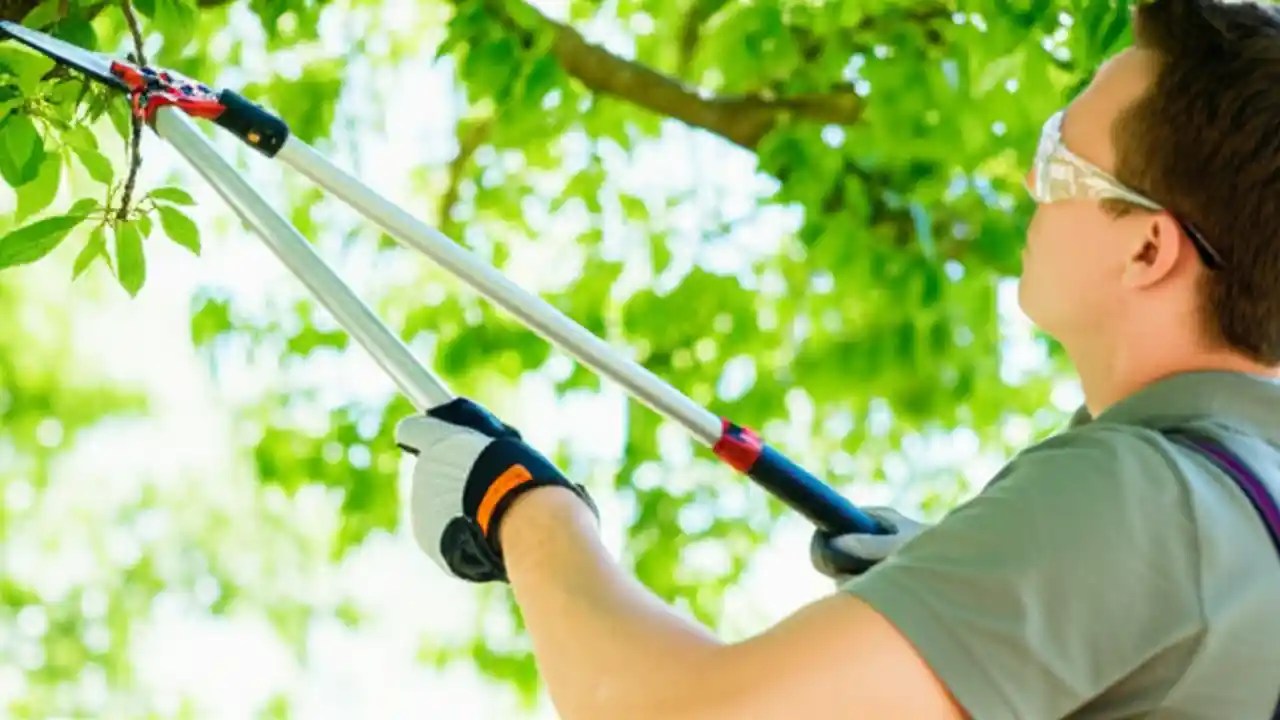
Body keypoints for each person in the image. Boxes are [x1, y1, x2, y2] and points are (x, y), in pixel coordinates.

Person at [395, 0, 1280, 717]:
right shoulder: (1235, 521)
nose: (1027, 181)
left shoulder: (1142, 500)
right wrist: (962, 610)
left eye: (1061, 163)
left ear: (1147, 249)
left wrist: (523, 507)